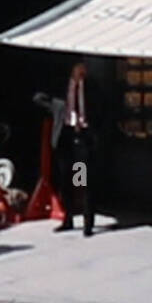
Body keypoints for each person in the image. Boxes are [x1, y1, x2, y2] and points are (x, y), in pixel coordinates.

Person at [54, 60, 99, 236]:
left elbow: (101, 107)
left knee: (82, 178)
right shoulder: (63, 85)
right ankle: (68, 218)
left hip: (83, 134)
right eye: (79, 68)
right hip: (66, 133)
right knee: (66, 178)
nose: (82, 72)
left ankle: (88, 222)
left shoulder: (91, 86)